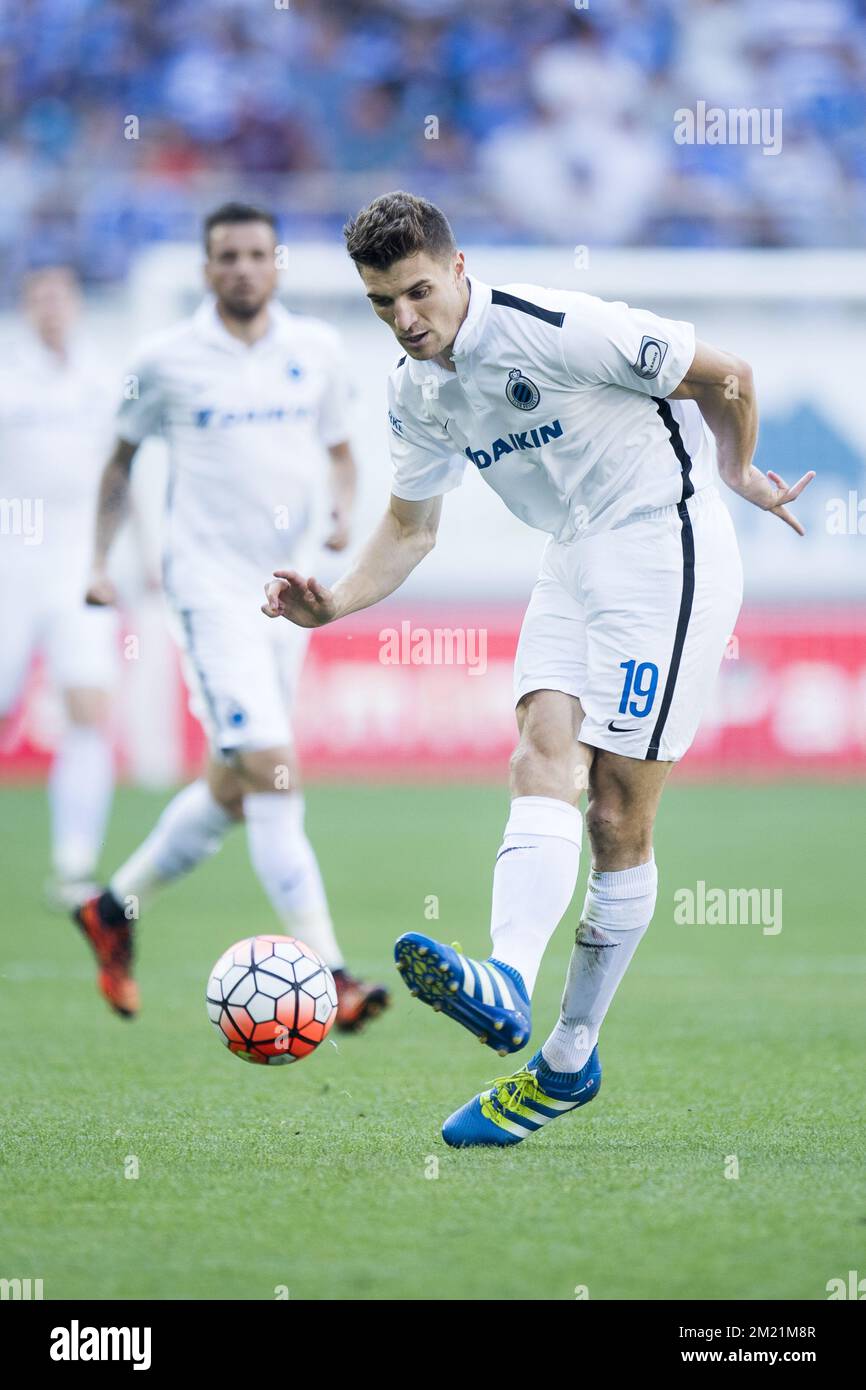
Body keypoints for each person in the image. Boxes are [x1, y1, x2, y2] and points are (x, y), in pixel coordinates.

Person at [262, 190, 814, 1146]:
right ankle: (506, 981)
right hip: (571, 557)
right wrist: (334, 605)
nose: (405, 319)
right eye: (381, 302)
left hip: (663, 547)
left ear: (460, 266)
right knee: (538, 755)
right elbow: (409, 527)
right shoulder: (413, 386)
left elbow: (727, 373)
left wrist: (735, 470)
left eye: (418, 292)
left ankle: (567, 1058)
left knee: (615, 812)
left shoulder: (562, 328)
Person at [77, 202, 389, 1032]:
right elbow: (119, 461)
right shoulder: (167, 360)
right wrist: (100, 564)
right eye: (228, 256)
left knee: (236, 784)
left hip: (288, 598)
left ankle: (113, 908)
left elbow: (342, 452)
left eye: (257, 254)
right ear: (206, 268)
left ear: (277, 264)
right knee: (276, 771)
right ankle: (330, 972)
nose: (244, 267)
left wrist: (339, 519)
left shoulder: (315, 351)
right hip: (209, 595)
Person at [0, 266, 119, 907]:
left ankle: (74, 865)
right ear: (26, 306)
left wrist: (137, 552)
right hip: (10, 563)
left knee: (88, 707)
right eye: (37, 296)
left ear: (75, 304)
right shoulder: (7, 374)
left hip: (80, 563)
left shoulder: (103, 378)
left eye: (60, 296)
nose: (50, 308)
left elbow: (121, 472)